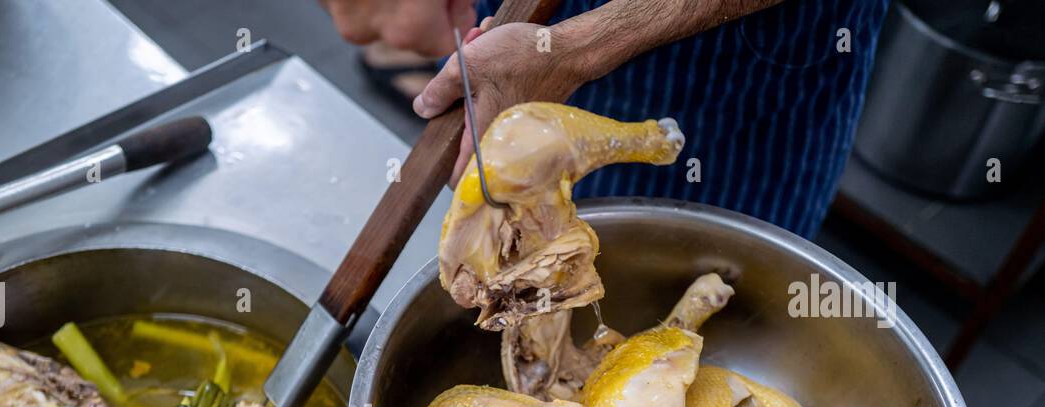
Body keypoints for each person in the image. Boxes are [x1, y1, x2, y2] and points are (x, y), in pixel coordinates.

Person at [321, 0, 891, 239]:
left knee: (700, 301)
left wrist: (574, 49)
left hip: (740, 56)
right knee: (513, 260)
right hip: (526, 24)